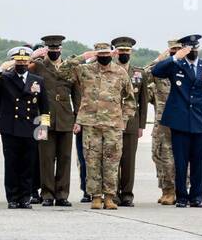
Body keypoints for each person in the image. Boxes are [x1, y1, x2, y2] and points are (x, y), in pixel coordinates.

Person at [58, 44, 136, 210]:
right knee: (92, 162)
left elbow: (130, 100)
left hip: (113, 125)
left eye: (106, 53)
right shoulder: (85, 70)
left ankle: (109, 197)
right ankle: (96, 196)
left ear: (112, 54)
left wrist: (124, 119)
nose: (104, 56)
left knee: (112, 162)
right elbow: (62, 71)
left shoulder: (120, 72)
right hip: (90, 124)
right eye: (100, 53)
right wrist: (84, 56)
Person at [150, 34, 202, 207]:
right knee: (180, 161)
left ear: (198, 49)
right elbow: (155, 71)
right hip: (179, 121)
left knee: (198, 163)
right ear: (184, 50)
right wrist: (173, 57)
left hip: (200, 121)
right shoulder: (176, 65)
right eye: (189, 49)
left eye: (195, 49)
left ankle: (196, 197)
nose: (193, 52)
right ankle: (181, 197)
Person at [0, 47, 51, 208]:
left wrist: (43, 127)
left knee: (28, 164)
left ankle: (25, 197)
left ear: (29, 62)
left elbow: (44, 106)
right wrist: (0, 69)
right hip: (10, 127)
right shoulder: (5, 78)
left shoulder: (37, 80)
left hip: (31, 127)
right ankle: (12, 198)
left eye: (24, 61)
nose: (22, 64)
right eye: (18, 61)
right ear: (14, 62)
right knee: (11, 164)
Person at [30, 35, 79, 207]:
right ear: (46, 50)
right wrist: (33, 56)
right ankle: (47, 194)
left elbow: (77, 95)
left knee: (65, 158)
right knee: (46, 158)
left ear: (61, 49)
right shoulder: (38, 66)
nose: (54, 52)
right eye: (50, 49)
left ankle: (62, 194)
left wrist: (77, 119)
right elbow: (18, 70)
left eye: (56, 49)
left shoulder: (69, 68)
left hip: (66, 118)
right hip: (43, 118)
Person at [112, 36, 149, 207]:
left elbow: (143, 101)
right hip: (111, 122)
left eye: (127, 51)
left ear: (131, 53)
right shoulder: (109, 70)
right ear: (115, 52)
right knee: (112, 160)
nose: (124, 54)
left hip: (132, 124)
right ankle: (112, 193)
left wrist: (141, 125)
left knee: (128, 161)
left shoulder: (139, 73)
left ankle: (127, 194)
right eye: (121, 51)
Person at [147, 39, 180, 204]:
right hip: (162, 123)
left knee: (181, 158)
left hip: (181, 122)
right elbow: (142, 76)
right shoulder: (160, 71)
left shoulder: (185, 69)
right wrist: (159, 59)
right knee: (160, 156)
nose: (175, 52)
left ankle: (178, 190)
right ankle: (166, 189)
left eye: (178, 49)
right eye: (172, 49)